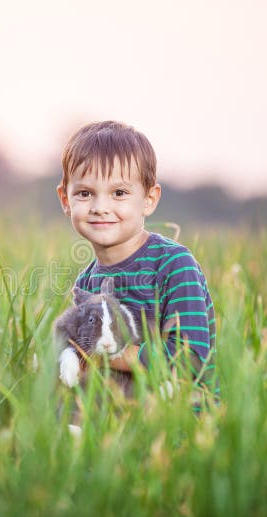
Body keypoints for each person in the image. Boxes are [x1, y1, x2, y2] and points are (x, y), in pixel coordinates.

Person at [56, 120, 217, 404]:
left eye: (119, 193)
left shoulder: (174, 264)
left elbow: (190, 359)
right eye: (85, 193)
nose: (100, 207)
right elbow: (81, 355)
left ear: (149, 199)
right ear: (65, 200)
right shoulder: (86, 282)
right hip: (116, 418)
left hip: (181, 419)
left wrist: (113, 355)